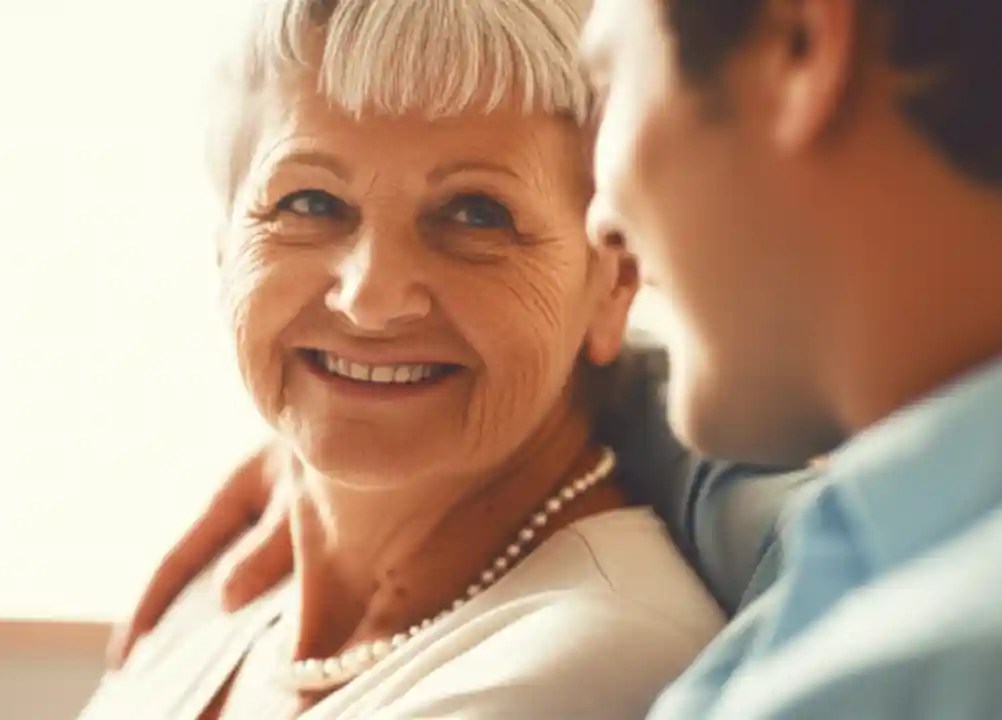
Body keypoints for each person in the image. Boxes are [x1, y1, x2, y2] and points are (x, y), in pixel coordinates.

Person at [114, 0, 1002, 717]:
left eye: (613, 64)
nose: (612, 220)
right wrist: (373, 437)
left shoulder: (967, 654)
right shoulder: (896, 546)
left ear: (799, 45)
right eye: (306, 203)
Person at [81, 1, 726, 718]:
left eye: (476, 214)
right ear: (224, 248)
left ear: (614, 283)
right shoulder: (243, 562)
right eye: (310, 201)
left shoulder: (585, 663)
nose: (370, 300)